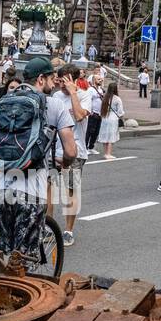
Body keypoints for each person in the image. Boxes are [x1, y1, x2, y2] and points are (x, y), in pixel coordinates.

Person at [0, 57, 76, 257]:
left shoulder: (4, 100)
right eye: (52, 79)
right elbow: (71, 151)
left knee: (6, 255)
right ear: (41, 79)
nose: (54, 85)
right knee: (25, 260)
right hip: (31, 191)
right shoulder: (53, 105)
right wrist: (65, 164)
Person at [50, 64, 89, 247]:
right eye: (61, 80)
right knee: (47, 189)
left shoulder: (84, 95)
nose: (63, 84)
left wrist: (74, 93)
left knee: (69, 191)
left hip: (75, 151)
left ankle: (68, 230)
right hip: (53, 149)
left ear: (74, 79)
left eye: (66, 80)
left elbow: (80, 116)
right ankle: (46, 227)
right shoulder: (56, 96)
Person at [96, 83, 124, 160]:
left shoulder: (105, 97)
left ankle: (105, 153)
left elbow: (100, 109)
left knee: (105, 135)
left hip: (105, 117)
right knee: (111, 136)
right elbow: (120, 111)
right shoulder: (117, 98)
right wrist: (121, 117)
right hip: (113, 118)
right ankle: (108, 154)